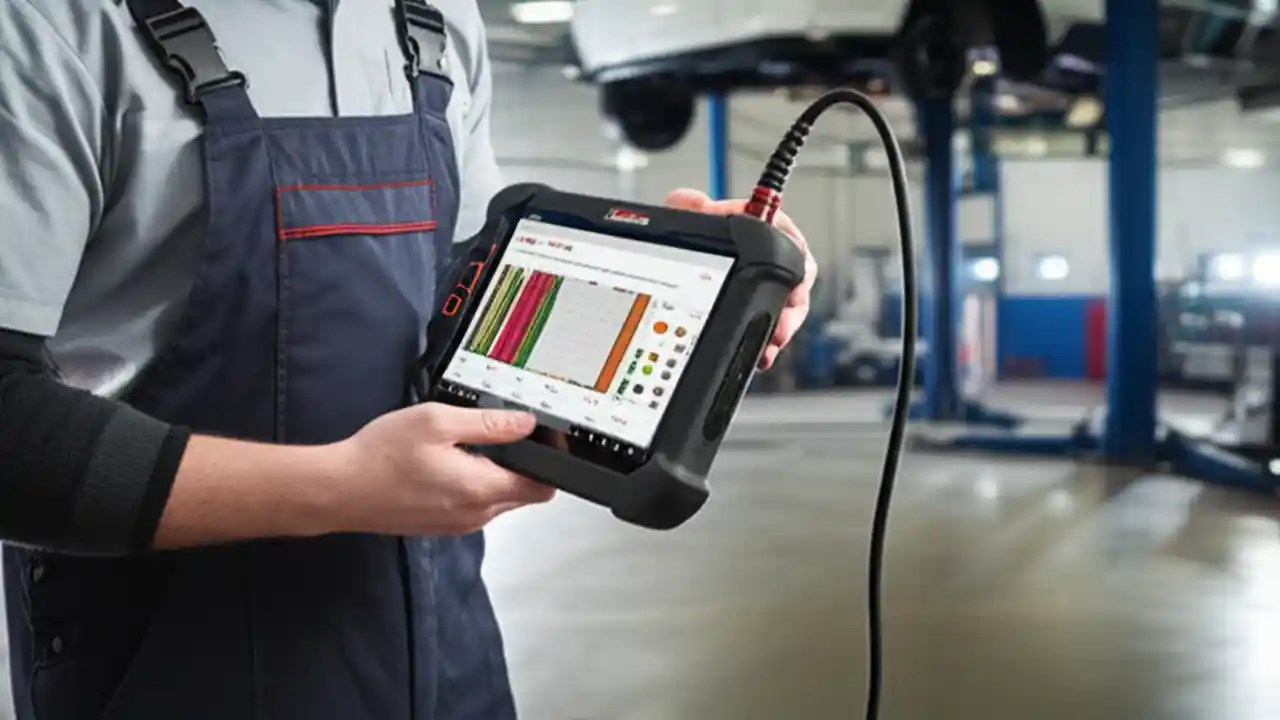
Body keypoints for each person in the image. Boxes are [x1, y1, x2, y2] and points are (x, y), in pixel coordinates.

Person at [0, 1, 818, 718]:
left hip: (447, 660)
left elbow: (449, 296)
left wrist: (683, 285)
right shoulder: (48, 26)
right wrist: (340, 488)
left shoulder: (436, 20)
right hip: (167, 671)